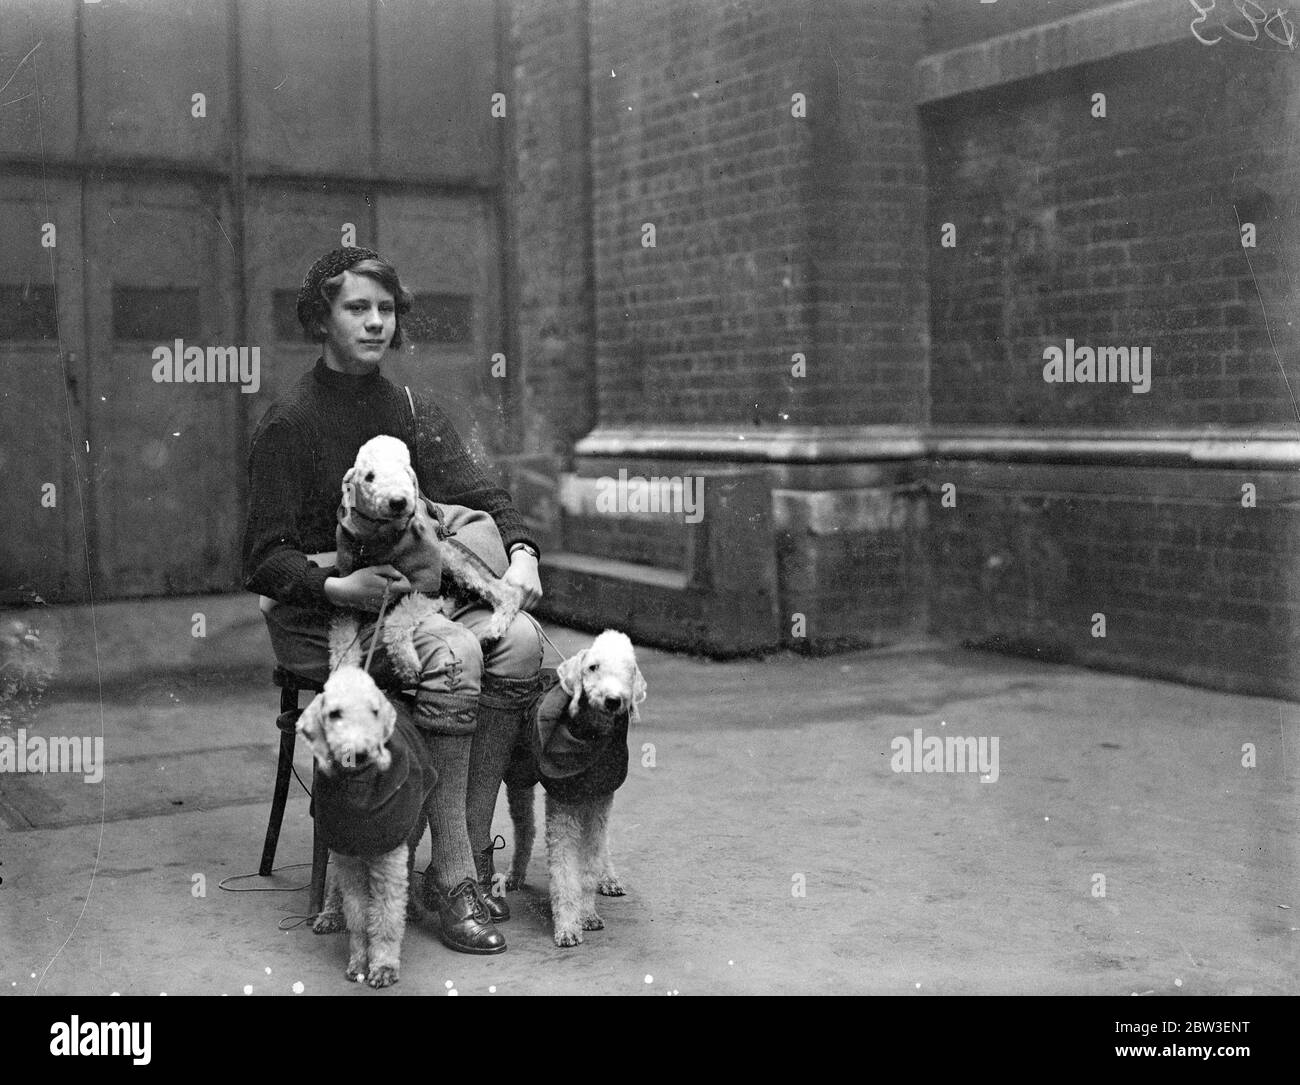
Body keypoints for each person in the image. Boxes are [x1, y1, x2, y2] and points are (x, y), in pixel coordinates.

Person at [243, 247, 543, 955]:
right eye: (357, 307)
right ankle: (458, 876)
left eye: (385, 309)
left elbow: (481, 493)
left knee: (524, 640)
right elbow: (261, 556)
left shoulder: (406, 407)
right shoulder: (290, 420)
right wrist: (337, 585)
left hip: (410, 595)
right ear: (322, 316)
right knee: (458, 653)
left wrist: (524, 549)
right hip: (325, 612)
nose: (376, 322)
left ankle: (456, 855)